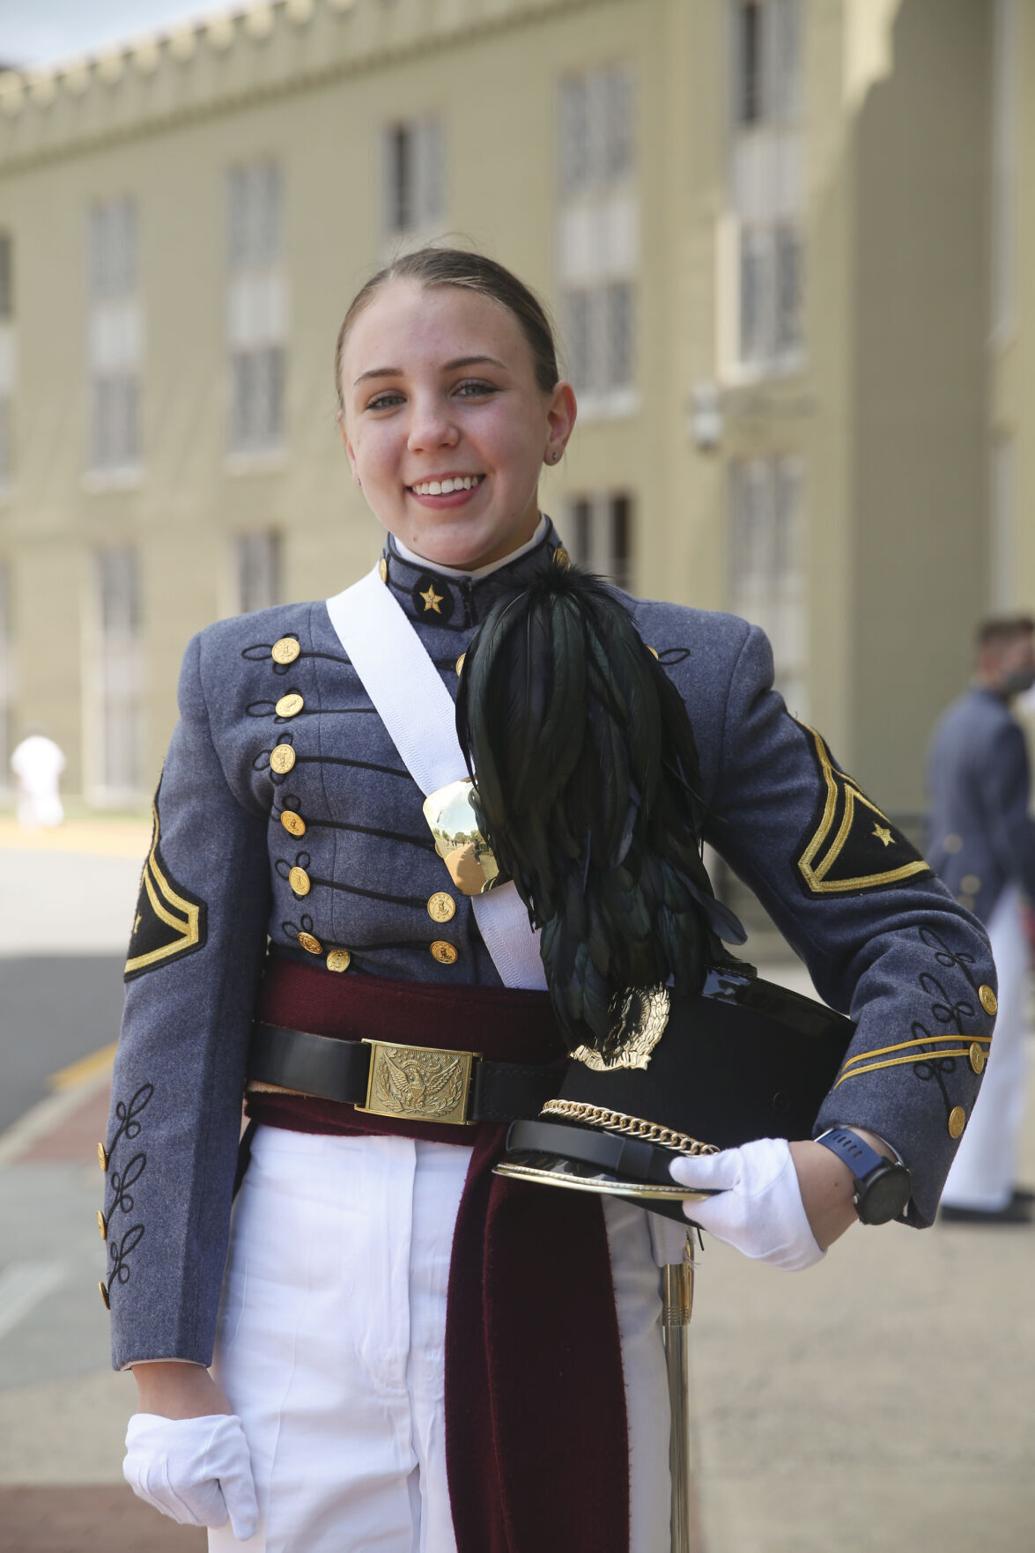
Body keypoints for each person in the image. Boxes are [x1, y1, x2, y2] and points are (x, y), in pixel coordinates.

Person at [103, 248, 996, 1553]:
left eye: (472, 386)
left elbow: (913, 934)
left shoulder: (693, 668)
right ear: (348, 435)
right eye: (384, 399)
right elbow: (170, 1034)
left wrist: (847, 1160)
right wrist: (164, 1368)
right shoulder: (242, 676)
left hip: (571, 1225)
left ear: (554, 416)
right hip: (300, 1259)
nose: (431, 433)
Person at [926, 614, 1035, 1224]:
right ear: (995, 658)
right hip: (993, 896)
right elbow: (1012, 830)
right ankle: (977, 1190)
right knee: (999, 1050)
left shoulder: (956, 720)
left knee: (977, 1045)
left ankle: (980, 1179)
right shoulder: (999, 730)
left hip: (960, 892)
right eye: (1026, 653)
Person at [10, 730, 65, 829]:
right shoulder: (50, 745)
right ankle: (52, 821)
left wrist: (20, 779)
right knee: (49, 798)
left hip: (29, 778)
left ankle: (30, 824)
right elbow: (60, 764)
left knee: (28, 801)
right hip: (48, 778)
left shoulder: (25, 745)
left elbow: (17, 765)